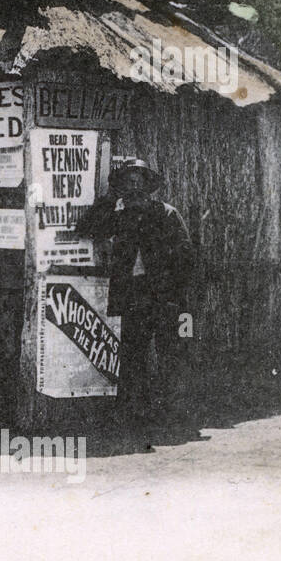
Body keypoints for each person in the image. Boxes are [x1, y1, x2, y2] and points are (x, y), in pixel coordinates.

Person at [73, 158, 194, 416]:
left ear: (148, 187)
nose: (135, 187)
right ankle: (137, 412)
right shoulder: (118, 217)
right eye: (129, 182)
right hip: (133, 295)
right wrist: (110, 199)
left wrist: (175, 292)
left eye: (139, 182)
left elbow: (186, 256)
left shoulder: (166, 214)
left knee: (171, 352)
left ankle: (173, 411)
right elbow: (85, 228)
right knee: (133, 355)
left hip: (165, 296)